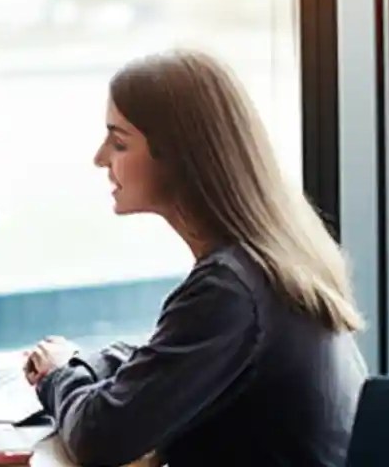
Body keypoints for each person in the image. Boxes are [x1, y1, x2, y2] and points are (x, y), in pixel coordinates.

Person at [23, 49, 367, 467]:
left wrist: (60, 375)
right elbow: (173, 356)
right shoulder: (277, 262)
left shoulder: (229, 289)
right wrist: (90, 363)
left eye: (118, 142)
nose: (100, 158)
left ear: (179, 156)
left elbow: (100, 437)